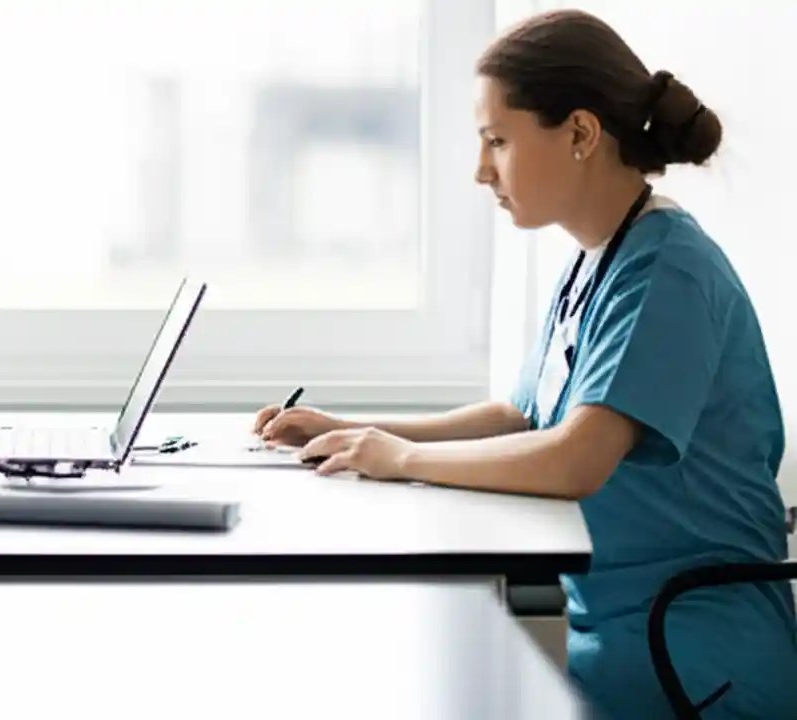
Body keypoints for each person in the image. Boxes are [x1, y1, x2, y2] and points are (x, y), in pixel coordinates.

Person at [254, 9, 796, 719]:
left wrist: (401, 459)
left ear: (579, 133)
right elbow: (520, 415)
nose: (482, 171)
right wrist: (354, 432)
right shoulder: (601, 258)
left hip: (692, 657)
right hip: (625, 635)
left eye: (498, 141)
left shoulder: (669, 271)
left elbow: (576, 459)